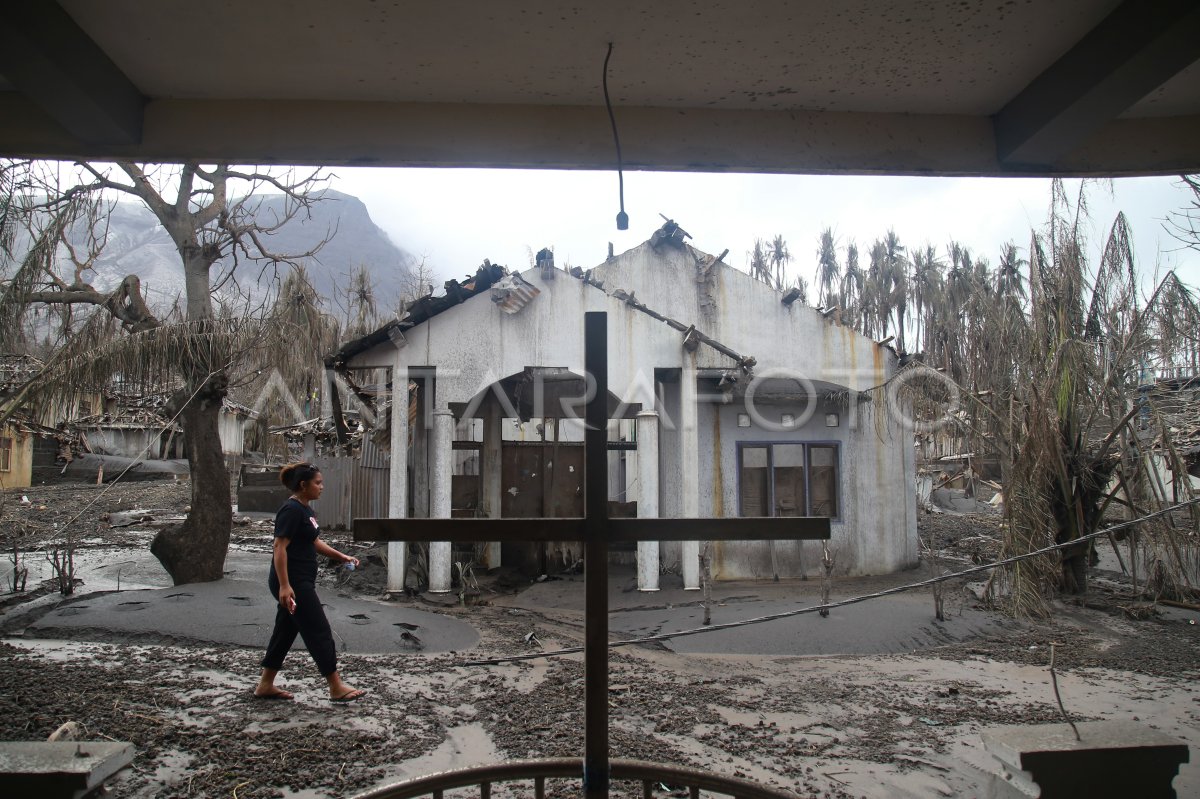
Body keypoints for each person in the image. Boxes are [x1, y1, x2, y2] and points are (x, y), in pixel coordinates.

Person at [253, 462, 366, 702]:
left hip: (300, 580)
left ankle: (265, 684)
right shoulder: (291, 510)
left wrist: (341, 556)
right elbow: (279, 547)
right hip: (293, 583)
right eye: (318, 483)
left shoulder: (306, 511)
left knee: (285, 630)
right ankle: (335, 686)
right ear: (303, 485)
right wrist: (285, 585)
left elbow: (313, 542)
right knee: (319, 629)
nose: (322, 487)